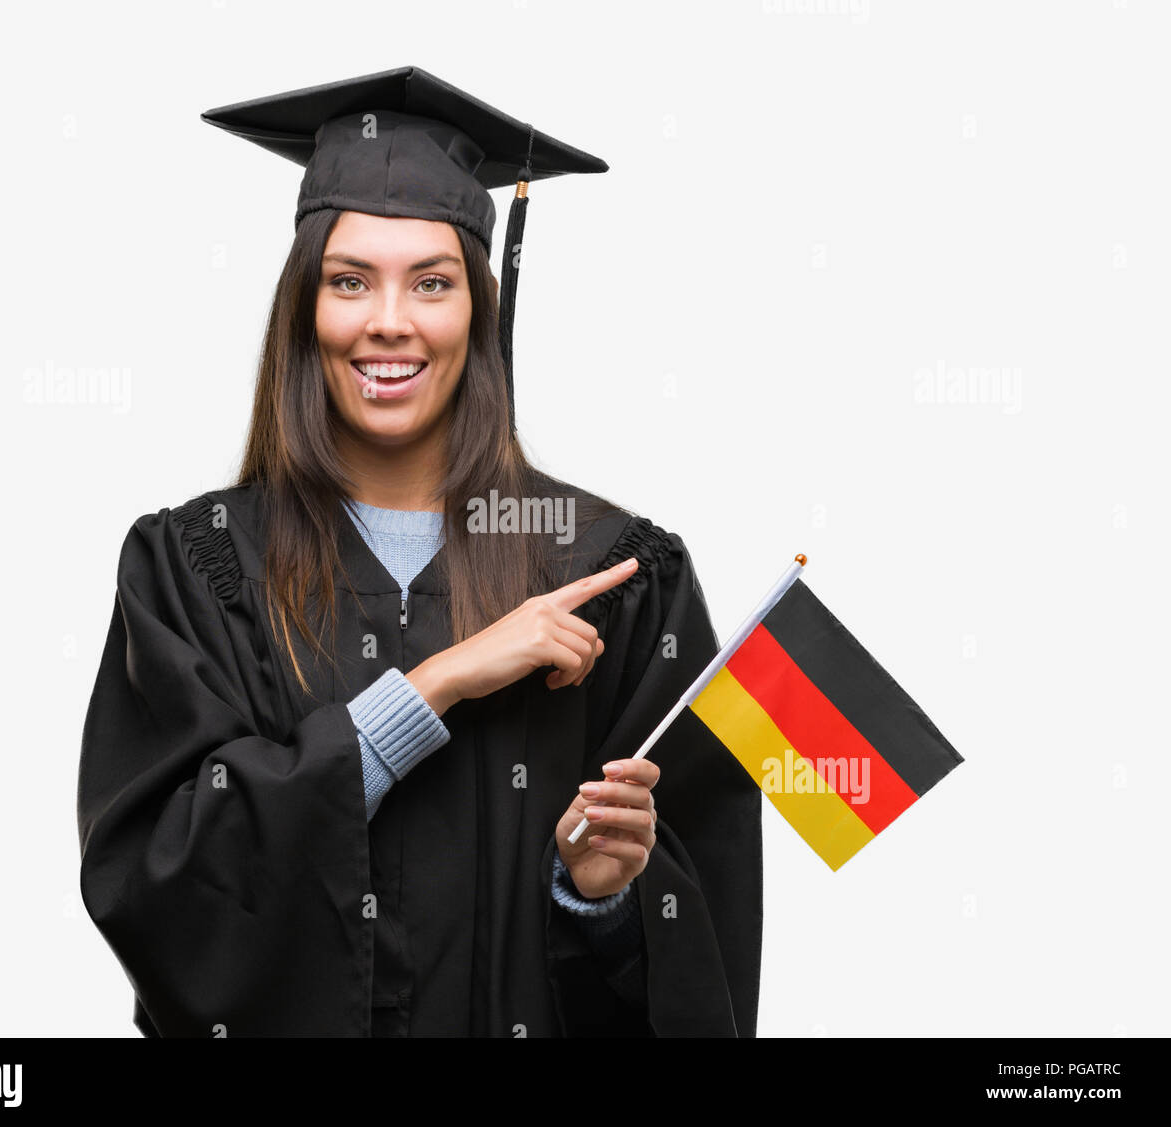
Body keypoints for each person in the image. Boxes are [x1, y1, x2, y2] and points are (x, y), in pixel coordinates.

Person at [76, 66, 762, 1037]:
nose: (388, 319)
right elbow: (156, 877)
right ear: (305, 311)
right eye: (350, 279)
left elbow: (709, 904)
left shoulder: (611, 575)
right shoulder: (195, 566)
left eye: (431, 282)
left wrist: (599, 896)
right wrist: (430, 686)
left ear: (477, 309)